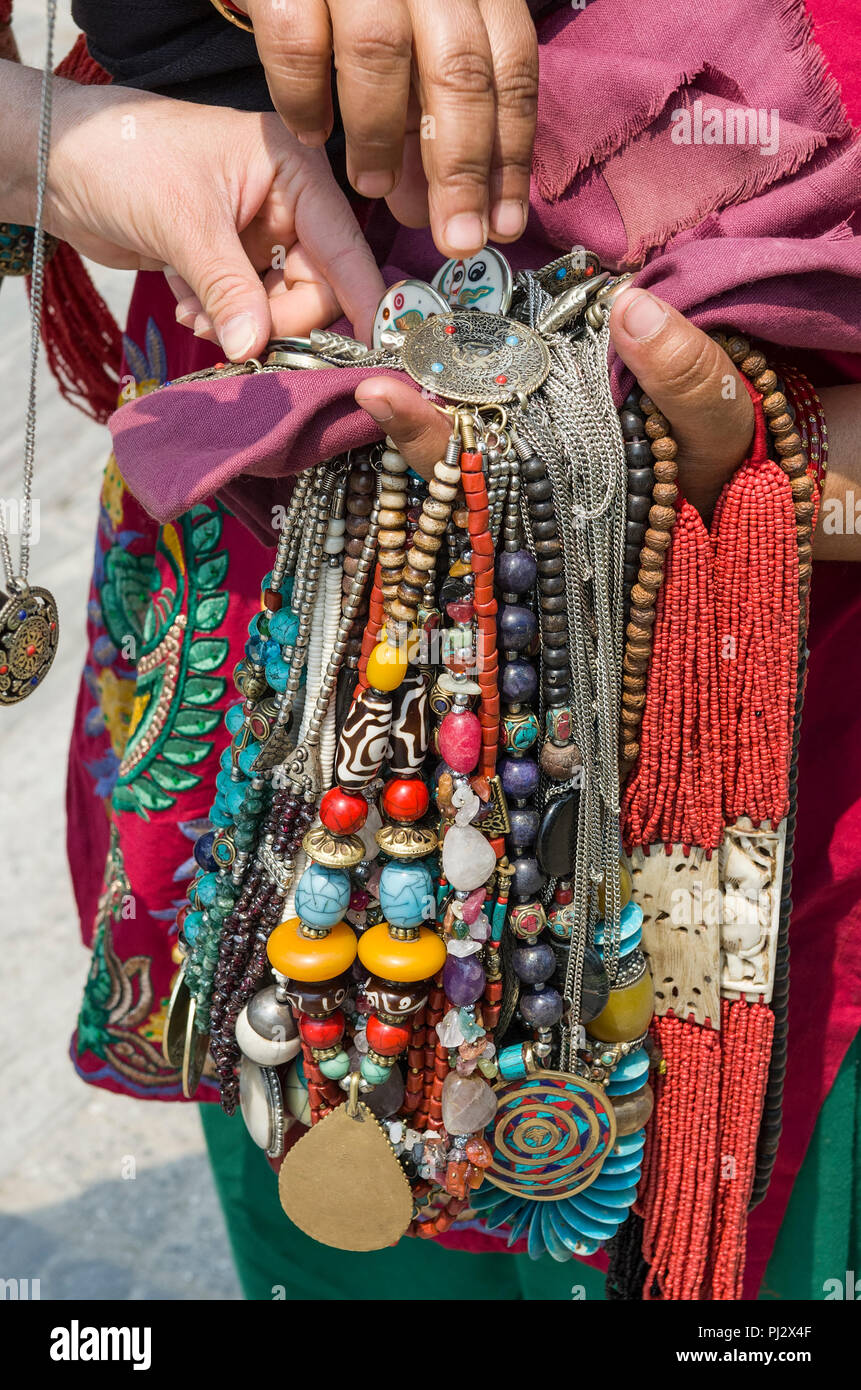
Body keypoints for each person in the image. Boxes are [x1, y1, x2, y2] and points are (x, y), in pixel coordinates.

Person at [2, 0, 859, 1299]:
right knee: (306, 1086)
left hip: (757, 703)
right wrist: (53, 141)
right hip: (282, 581)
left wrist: (791, 484)